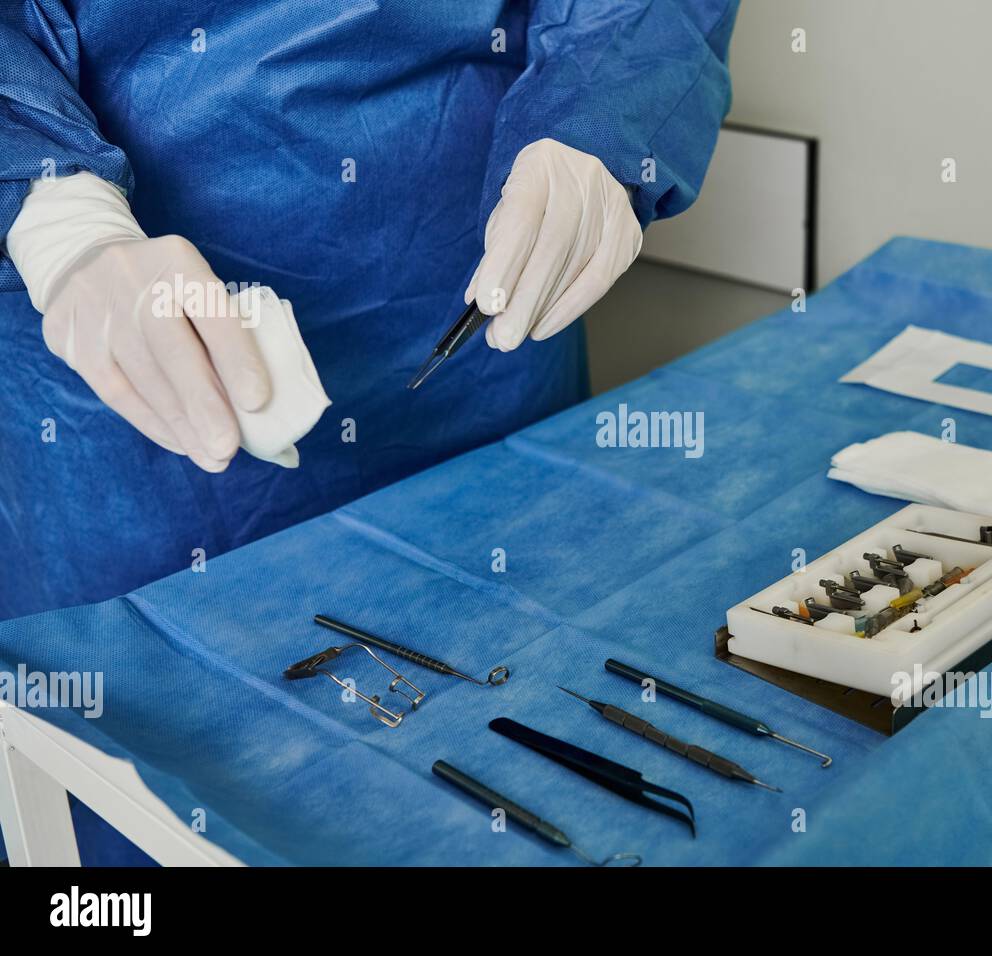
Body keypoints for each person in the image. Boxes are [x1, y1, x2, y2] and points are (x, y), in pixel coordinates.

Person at [0, 1, 737, 865]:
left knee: (517, 758)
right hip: (127, 387)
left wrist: (601, 119)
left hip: (471, 313)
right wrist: (56, 210)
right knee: (156, 786)